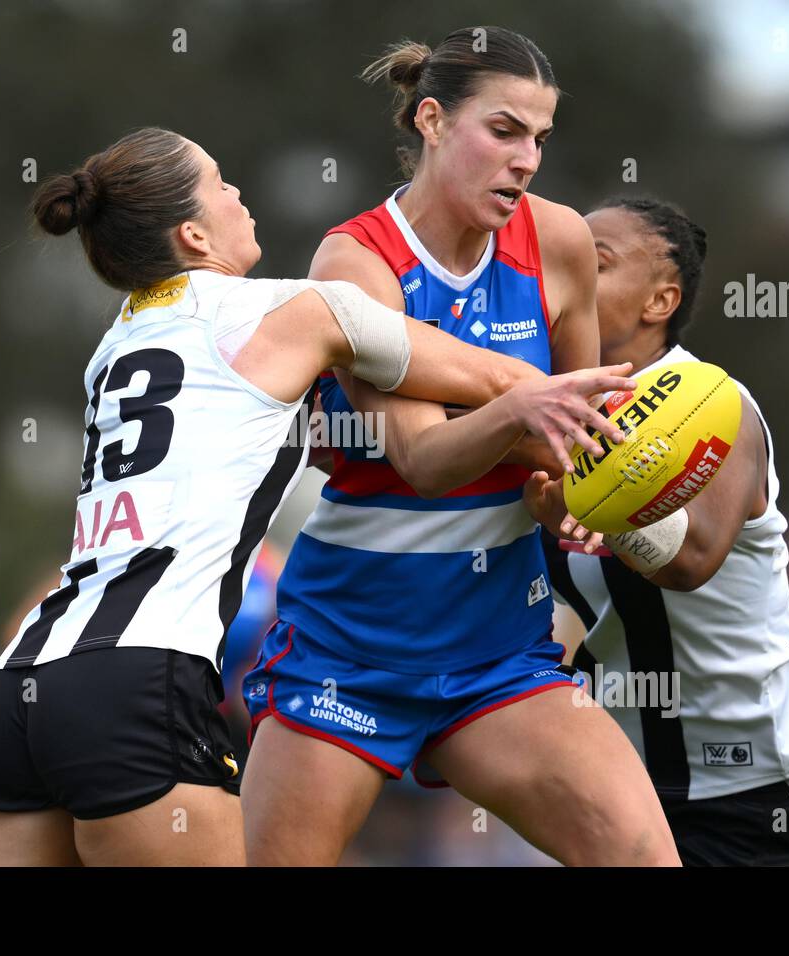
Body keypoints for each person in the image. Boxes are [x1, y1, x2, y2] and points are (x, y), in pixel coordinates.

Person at [0, 126, 638, 866]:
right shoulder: (296, 311)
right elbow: (487, 378)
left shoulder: (115, 345)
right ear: (193, 233)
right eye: (221, 183)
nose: (239, 196)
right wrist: (606, 415)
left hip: (24, 683)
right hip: (139, 681)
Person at [241, 28, 679, 866]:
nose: (526, 161)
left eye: (541, 141)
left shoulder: (559, 243)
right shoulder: (355, 260)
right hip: (351, 648)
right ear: (433, 121)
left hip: (499, 653)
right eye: (505, 131)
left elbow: (568, 449)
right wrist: (525, 402)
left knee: (647, 860)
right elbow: (424, 459)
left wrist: (574, 503)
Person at [528, 196, 789, 866]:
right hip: (642, 783)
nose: (563, 275)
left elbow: (692, 560)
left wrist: (593, 512)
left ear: (660, 302)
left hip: (771, 785)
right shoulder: (548, 409)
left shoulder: (714, 402)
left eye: (594, 263)